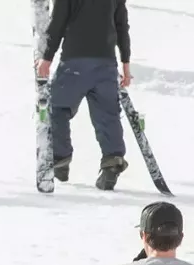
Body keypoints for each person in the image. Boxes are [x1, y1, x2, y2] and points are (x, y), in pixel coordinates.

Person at [37, 0, 131, 190]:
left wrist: (46, 57)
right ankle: (112, 161)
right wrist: (126, 64)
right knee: (108, 116)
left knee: (57, 106)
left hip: (75, 62)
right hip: (106, 64)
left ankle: (60, 157)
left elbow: (58, 22)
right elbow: (121, 25)